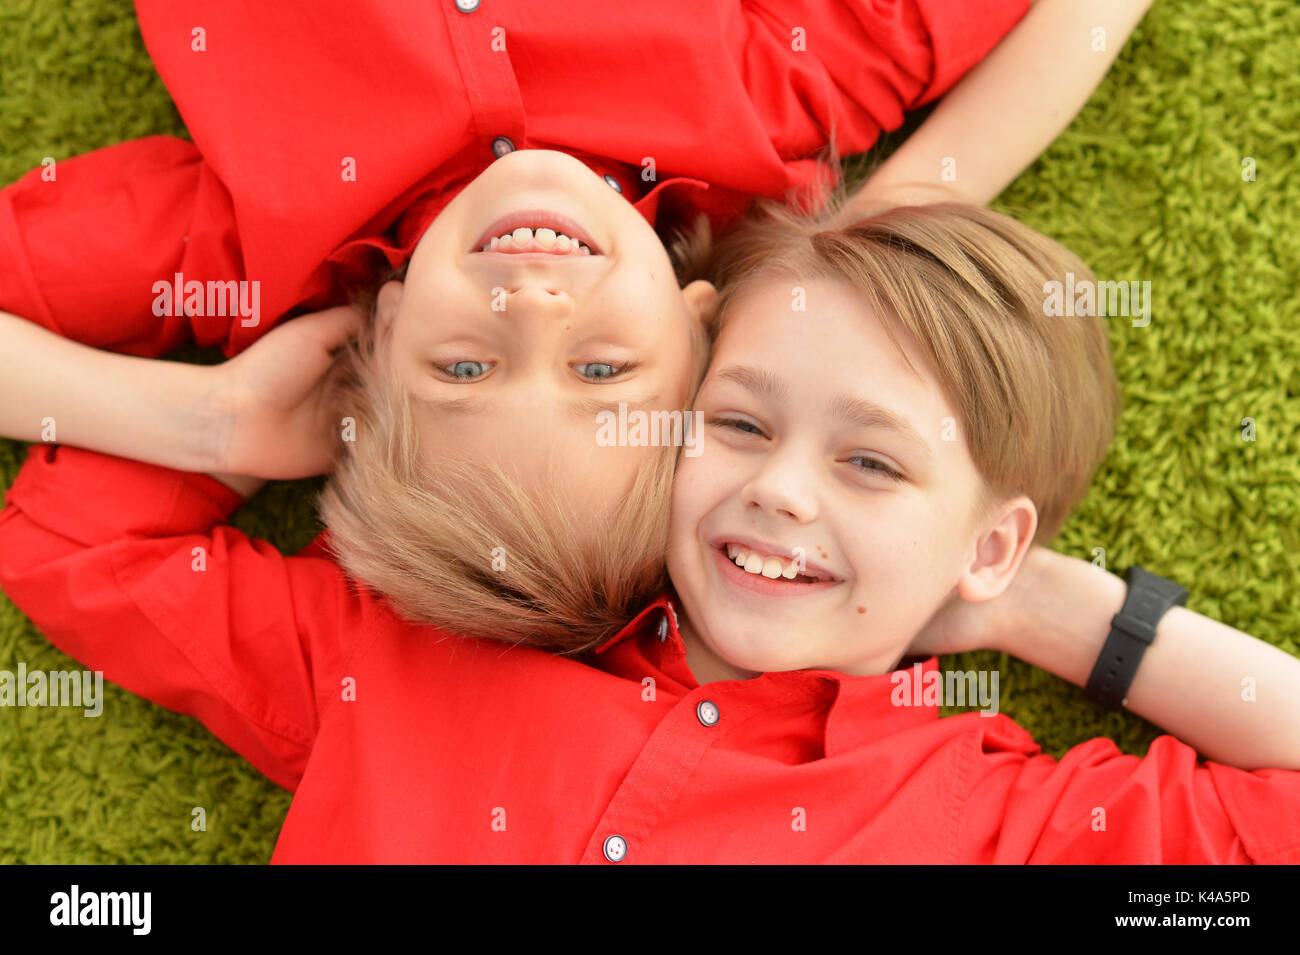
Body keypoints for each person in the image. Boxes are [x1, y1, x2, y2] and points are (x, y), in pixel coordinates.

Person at [3, 196, 1297, 863]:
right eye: (736, 426)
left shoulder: (983, 815)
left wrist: (1045, 609)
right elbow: (80, 540)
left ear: (989, 539)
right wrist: (236, 424)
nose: (786, 490)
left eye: (871, 460)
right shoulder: (407, 655)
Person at [0, 0, 1155, 649]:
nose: (535, 306)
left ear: (378, 334)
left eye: (464, 365)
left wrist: (211, 424)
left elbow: (88, 544)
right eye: (604, 366)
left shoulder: (247, 232)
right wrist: (893, 218)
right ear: (707, 328)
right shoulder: (764, 104)